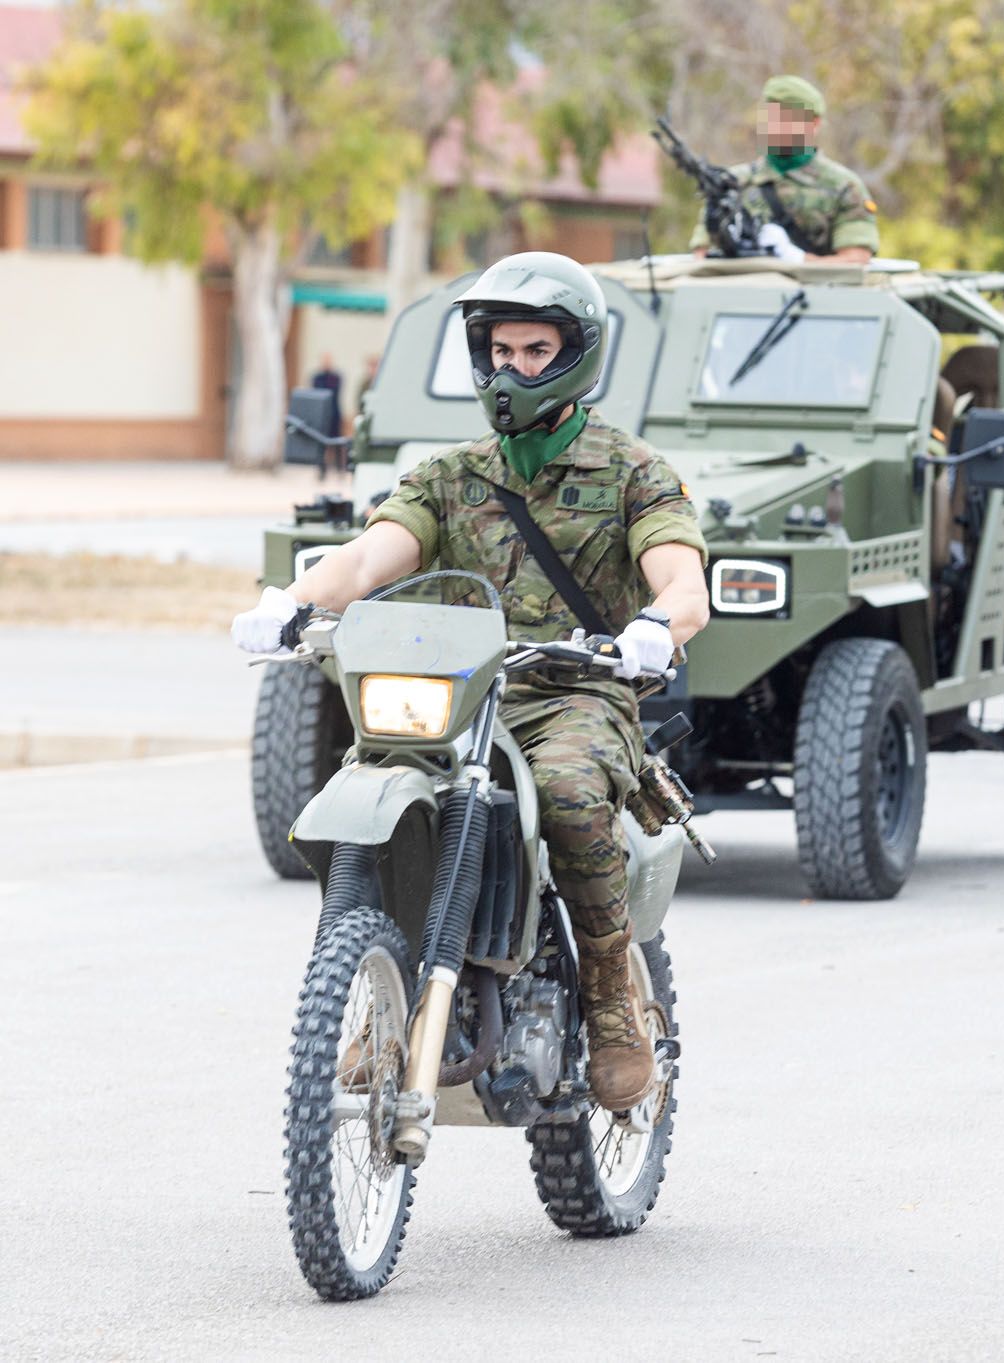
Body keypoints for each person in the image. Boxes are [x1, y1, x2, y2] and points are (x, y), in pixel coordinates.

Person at [231, 252, 711, 1113]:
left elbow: (683, 581)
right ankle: (375, 1000)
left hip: (575, 689)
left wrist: (653, 626)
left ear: (574, 356)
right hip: (460, 687)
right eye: (500, 350)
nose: (512, 368)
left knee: (565, 793)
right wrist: (291, 602)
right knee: (369, 786)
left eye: (534, 350)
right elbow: (374, 555)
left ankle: (608, 998)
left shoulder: (634, 470)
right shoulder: (451, 474)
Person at [690, 75, 880, 265]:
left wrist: (799, 260)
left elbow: (856, 260)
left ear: (814, 124)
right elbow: (702, 256)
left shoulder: (843, 187)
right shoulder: (732, 183)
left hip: (815, 293)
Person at [309, 354, 345, 478]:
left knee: (337, 443)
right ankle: (321, 470)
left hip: (334, 414)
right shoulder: (317, 377)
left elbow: (333, 392)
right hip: (321, 414)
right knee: (320, 444)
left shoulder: (336, 377)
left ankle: (340, 469)